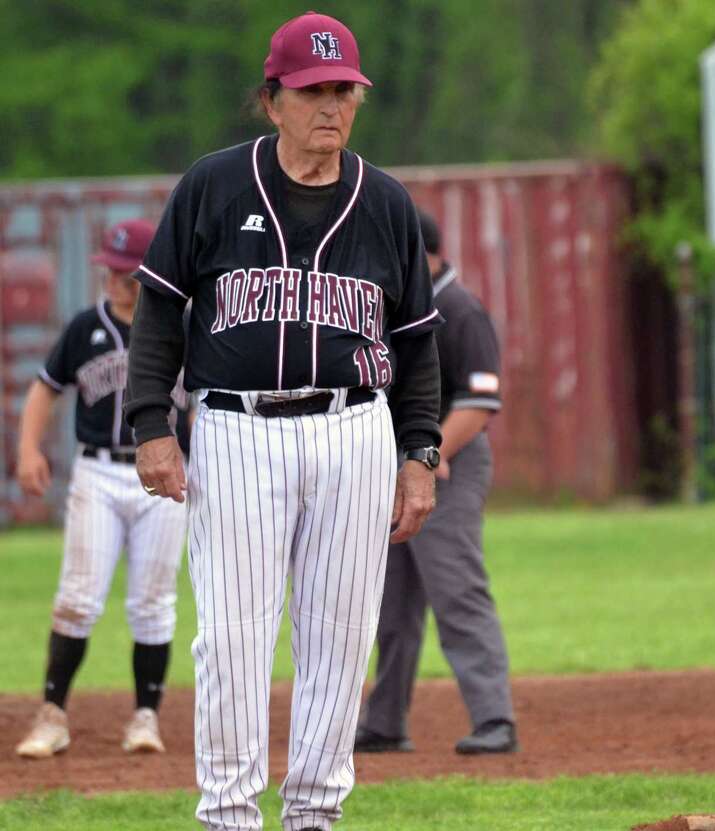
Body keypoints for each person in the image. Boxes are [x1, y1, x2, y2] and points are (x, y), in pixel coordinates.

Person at [123, 12, 442, 831]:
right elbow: (158, 310)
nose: (331, 105)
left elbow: (415, 342)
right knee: (232, 637)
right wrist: (151, 421)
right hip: (238, 430)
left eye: (344, 90)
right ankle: (230, 815)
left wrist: (420, 451)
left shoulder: (386, 204)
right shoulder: (214, 186)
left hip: (355, 428)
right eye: (312, 91)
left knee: (340, 637)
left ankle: (314, 815)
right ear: (273, 101)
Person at [14, 218, 189, 759]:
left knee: (153, 601)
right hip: (99, 473)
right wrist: (27, 449)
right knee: (78, 596)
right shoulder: (85, 326)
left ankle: (145, 717)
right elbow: (45, 389)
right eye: (110, 270)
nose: (115, 280)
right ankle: (52, 715)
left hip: (167, 476)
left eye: (126, 272)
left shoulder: (181, 328)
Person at [355, 209, 516, 756]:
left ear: (425, 254)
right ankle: (385, 722)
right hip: (395, 469)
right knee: (391, 603)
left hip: (450, 466)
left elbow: (481, 401)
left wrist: (432, 454)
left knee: (456, 590)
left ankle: (494, 718)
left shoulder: (459, 308)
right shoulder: (395, 307)